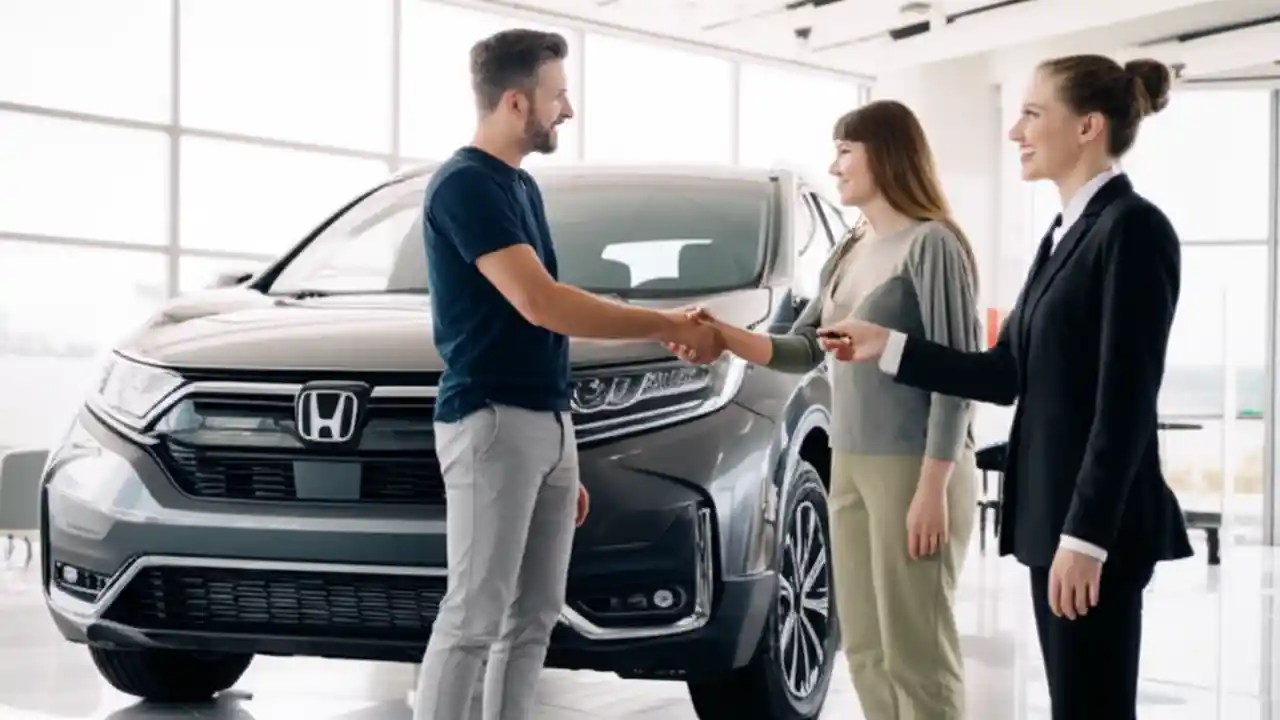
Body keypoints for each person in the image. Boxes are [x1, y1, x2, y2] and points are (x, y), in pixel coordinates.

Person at [817, 56, 1194, 720]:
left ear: (1087, 127)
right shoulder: (1063, 235)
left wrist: (1086, 538)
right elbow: (1003, 372)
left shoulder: (1131, 228)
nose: (1014, 131)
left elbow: (1125, 403)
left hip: (1090, 531)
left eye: (1031, 113)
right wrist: (887, 345)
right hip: (1053, 519)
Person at [414, 29, 719, 720]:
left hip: (544, 425)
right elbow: (541, 301)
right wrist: (666, 323)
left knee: (535, 616)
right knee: (474, 614)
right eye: (560, 97)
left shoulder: (519, 186)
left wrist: (560, 449)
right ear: (517, 102)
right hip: (491, 422)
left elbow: (536, 323)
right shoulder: (464, 184)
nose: (568, 112)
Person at [673, 99, 983, 720]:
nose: (833, 165)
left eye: (846, 151)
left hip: (916, 469)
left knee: (916, 652)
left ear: (887, 155)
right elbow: (803, 349)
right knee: (865, 650)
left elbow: (958, 377)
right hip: (850, 464)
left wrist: (932, 486)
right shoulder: (851, 246)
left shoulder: (933, 245)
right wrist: (723, 336)